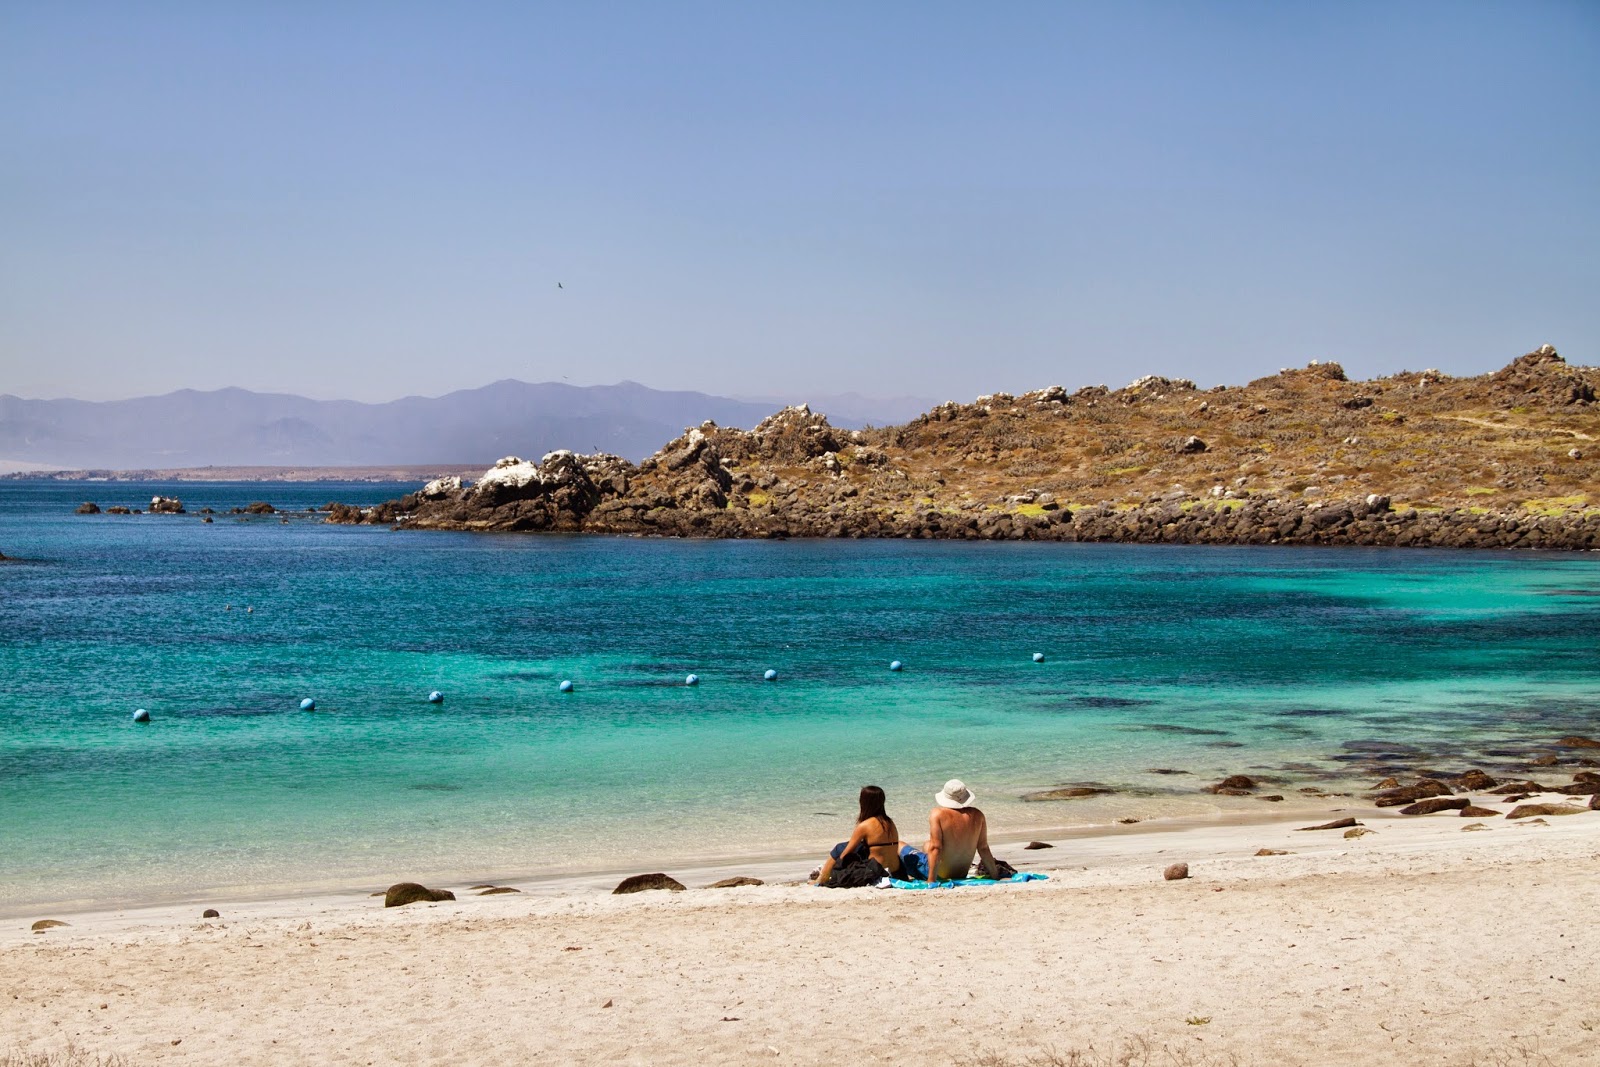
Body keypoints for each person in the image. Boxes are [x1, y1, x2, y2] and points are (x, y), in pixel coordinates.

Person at [815, 785, 922, 885]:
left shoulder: (865, 825)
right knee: (861, 847)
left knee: (840, 848)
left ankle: (821, 879)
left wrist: (838, 867)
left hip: (876, 871)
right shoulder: (890, 822)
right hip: (898, 872)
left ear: (864, 802)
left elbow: (845, 854)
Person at [925, 778, 998, 883]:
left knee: (904, 846)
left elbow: (936, 848)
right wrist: (995, 876)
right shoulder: (978, 814)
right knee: (929, 844)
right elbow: (983, 848)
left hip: (939, 874)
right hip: (962, 873)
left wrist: (931, 881)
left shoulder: (937, 814)